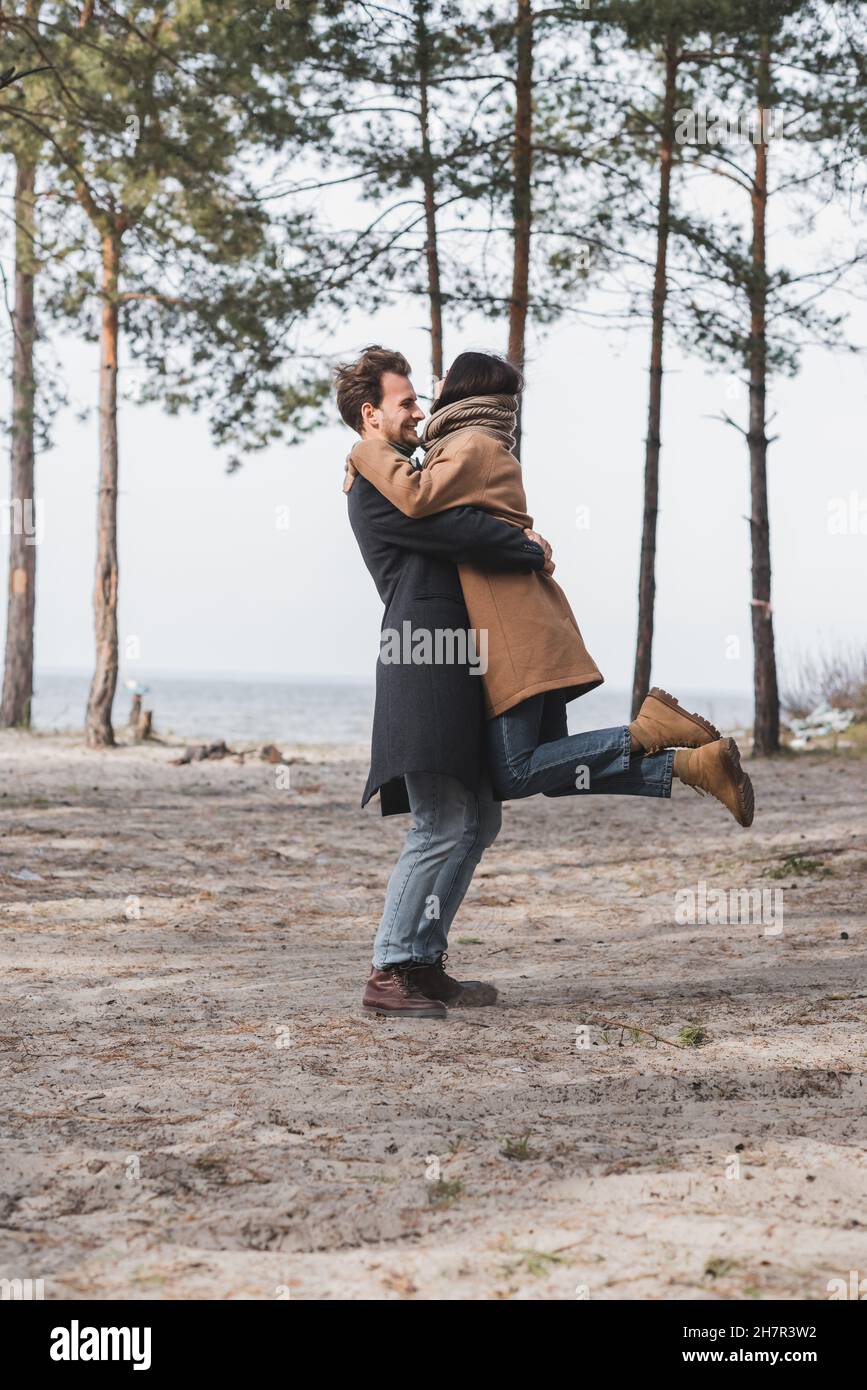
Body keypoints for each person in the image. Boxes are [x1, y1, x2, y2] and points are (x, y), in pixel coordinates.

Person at [336, 347, 550, 1020]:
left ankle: (422, 962)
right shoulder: (376, 484)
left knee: (475, 819)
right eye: (406, 403)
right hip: (419, 663)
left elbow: (462, 516)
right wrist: (526, 546)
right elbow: (461, 528)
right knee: (439, 821)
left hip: (452, 661)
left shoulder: (407, 473)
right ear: (371, 415)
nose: (419, 411)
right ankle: (388, 968)